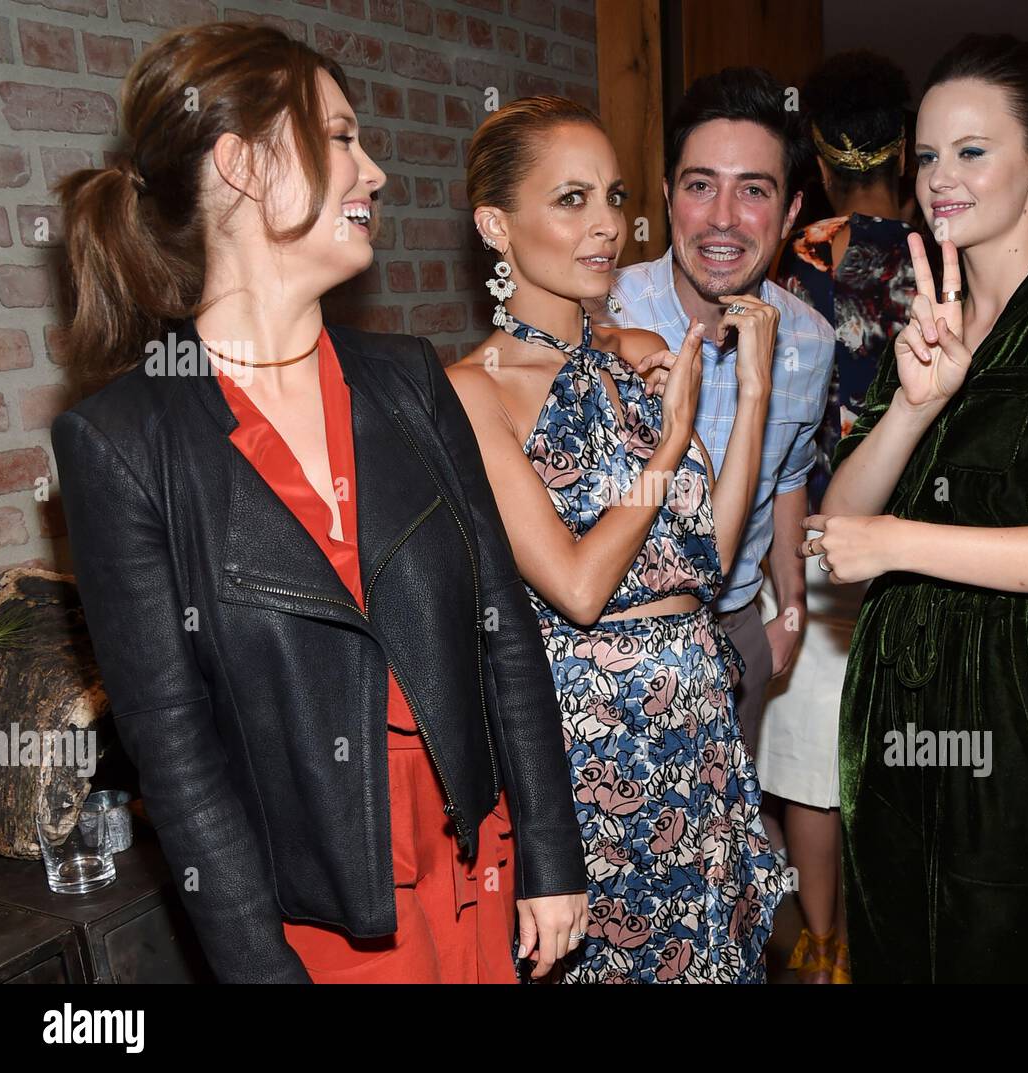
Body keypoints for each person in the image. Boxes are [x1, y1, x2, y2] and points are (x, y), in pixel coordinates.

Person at [49, 22, 587, 984]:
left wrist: (552, 854)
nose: (372, 172)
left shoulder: (408, 379)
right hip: (325, 933)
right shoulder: (124, 443)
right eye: (340, 137)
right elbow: (177, 758)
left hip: (481, 878)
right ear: (242, 163)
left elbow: (503, 627)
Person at [808, 33, 1028, 984]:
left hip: (1011, 702)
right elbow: (837, 521)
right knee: (888, 952)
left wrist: (898, 541)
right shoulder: (931, 314)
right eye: (926, 155)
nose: (939, 179)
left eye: (973, 152)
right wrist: (915, 405)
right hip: (893, 691)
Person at [446, 95, 788, 983]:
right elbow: (576, 585)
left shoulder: (634, 351)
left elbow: (706, 551)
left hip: (702, 723)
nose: (607, 225)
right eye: (571, 201)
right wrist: (669, 446)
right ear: (495, 224)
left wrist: (749, 399)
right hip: (597, 749)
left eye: (614, 195)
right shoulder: (472, 392)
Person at [586, 67, 834, 777]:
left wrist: (789, 611)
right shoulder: (604, 317)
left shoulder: (810, 340)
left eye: (753, 190)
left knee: (725, 862)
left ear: (789, 215)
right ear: (668, 197)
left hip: (737, 630)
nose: (722, 216)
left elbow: (789, 478)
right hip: (612, 637)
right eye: (700, 185)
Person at [764, 49, 917, 984]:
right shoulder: (958, 255)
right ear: (905, 151)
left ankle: (825, 945)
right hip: (933, 542)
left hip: (821, 533)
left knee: (818, 765)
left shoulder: (798, 260)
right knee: (917, 747)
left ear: (818, 161)